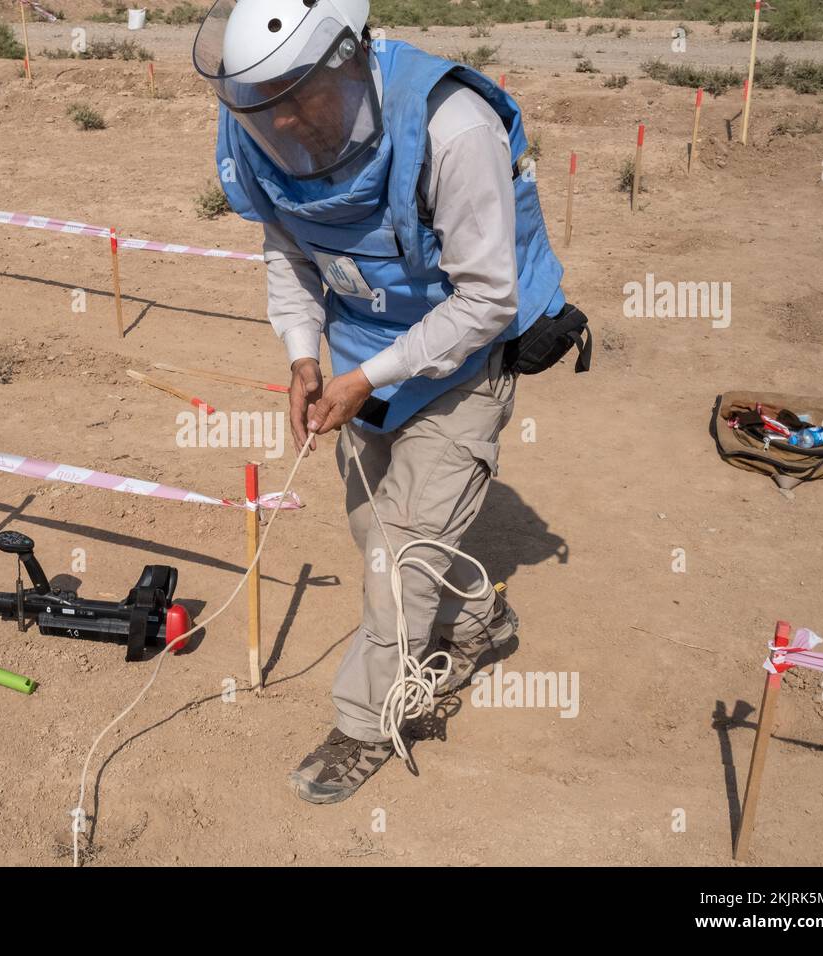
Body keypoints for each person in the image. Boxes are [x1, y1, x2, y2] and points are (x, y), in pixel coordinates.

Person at [194, 0, 589, 804]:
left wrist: (364, 381)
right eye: (272, 110)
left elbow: (485, 301)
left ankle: (365, 724)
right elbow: (289, 255)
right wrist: (304, 356)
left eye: (309, 97)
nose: (296, 124)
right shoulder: (257, 131)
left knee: (400, 557)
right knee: (377, 530)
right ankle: (478, 624)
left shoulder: (453, 129)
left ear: (352, 55)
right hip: (358, 356)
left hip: (460, 361)